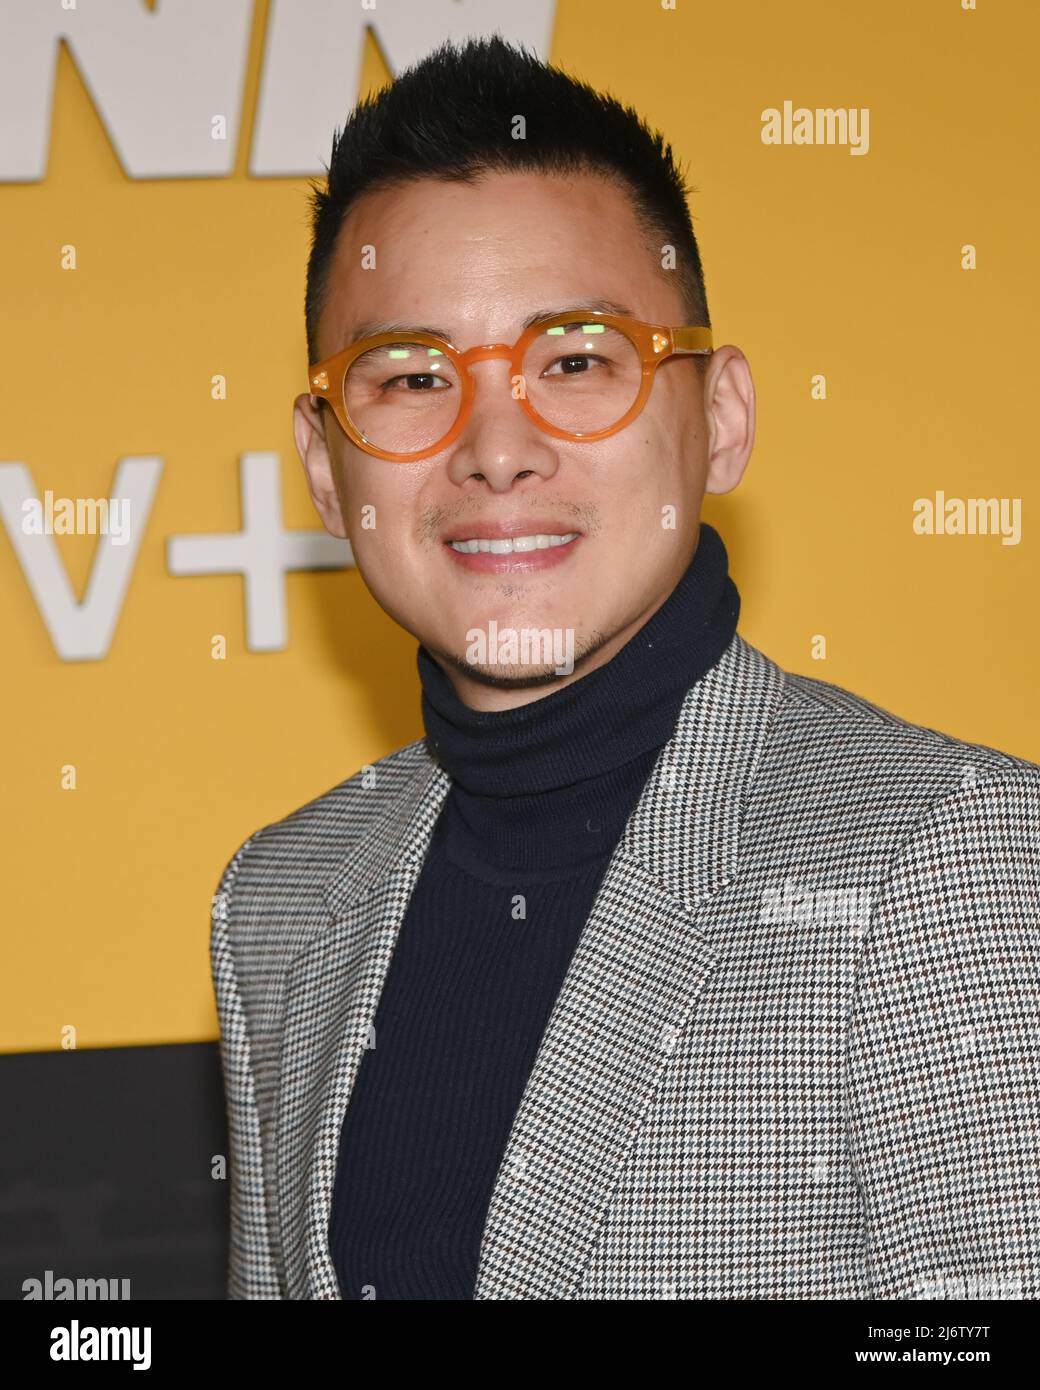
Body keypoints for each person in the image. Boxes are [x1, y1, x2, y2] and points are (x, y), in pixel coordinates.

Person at [210, 35, 1040, 1301]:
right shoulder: (279, 900)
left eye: (576, 361)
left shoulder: (947, 858)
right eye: (413, 375)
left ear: (718, 420)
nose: (496, 446)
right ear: (326, 468)